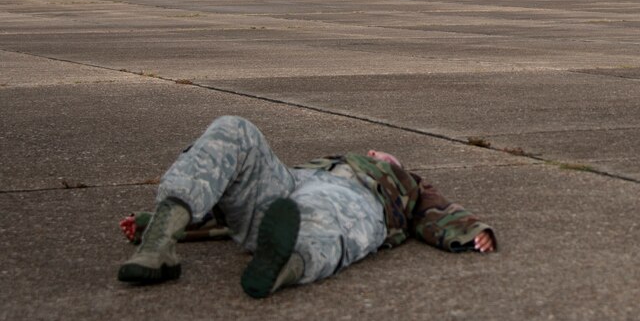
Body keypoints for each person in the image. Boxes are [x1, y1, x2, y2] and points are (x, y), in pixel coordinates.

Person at [117, 116, 496, 298]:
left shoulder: (405, 183)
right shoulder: (323, 163)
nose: (373, 152)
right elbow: (227, 213)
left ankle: (282, 266)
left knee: (321, 221)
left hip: (357, 201)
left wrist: (468, 231)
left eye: (381, 154)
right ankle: (161, 238)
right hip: (290, 184)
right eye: (373, 152)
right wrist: (162, 220)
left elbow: (437, 211)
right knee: (235, 130)